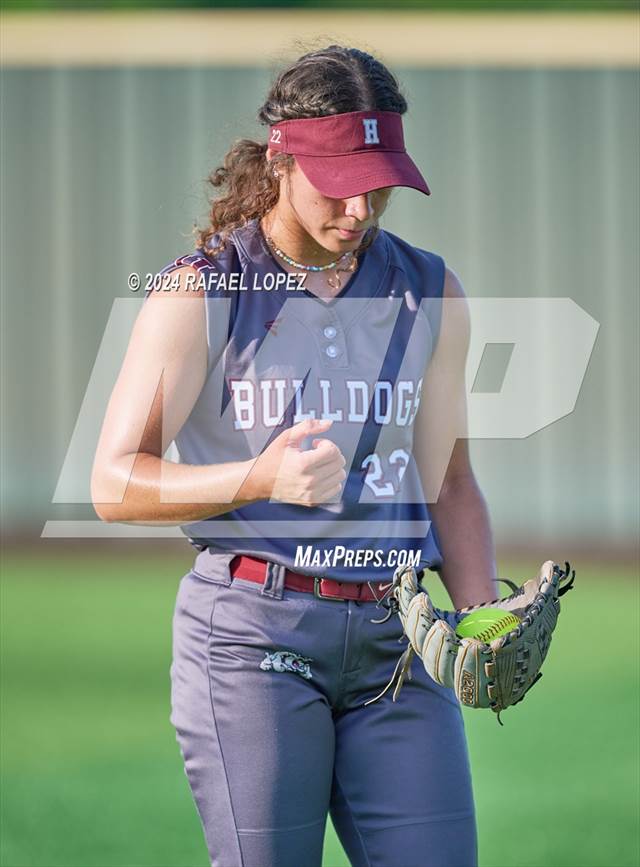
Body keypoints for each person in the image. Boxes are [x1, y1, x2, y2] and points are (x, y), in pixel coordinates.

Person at [92, 44, 499, 867]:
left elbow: (450, 482)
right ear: (282, 157)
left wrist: (481, 618)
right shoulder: (200, 291)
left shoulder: (430, 290)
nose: (362, 208)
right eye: (342, 182)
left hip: (399, 638)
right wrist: (257, 477)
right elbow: (112, 481)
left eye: (380, 182)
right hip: (253, 643)